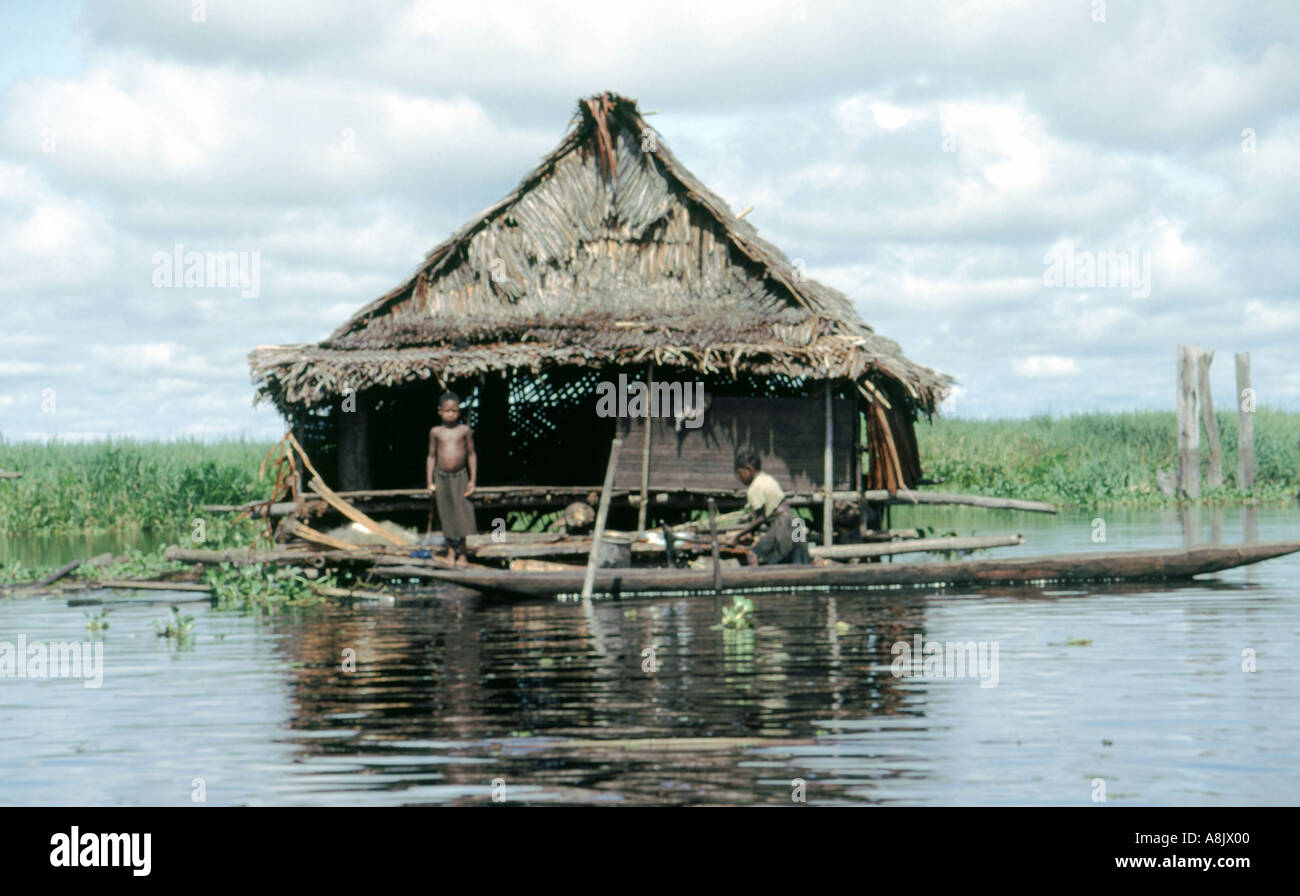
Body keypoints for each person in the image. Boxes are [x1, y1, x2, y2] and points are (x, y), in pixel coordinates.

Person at [724, 449, 810, 566]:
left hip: (782, 524)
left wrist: (737, 537)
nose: (740, 478)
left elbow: (760, 519)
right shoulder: (768, 479)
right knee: (800, 563)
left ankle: (755, 583)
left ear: (748, 469)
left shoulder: (755, 487)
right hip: (795, 522)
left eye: (740, 473)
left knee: (753, 554)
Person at [426, 391, 477, 566]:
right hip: (441, 477)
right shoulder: (435, 432)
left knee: (463, 513)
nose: (450, 414)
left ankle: (463, 552)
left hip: (461, 476)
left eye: (454, 411)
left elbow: (471, 454)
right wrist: (429, 481)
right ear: (440, 411)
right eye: (447, 411)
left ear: (459, 412)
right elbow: (431, 457)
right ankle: (450, 551)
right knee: (446, 514)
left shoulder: (464, 430)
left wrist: (473, 480)